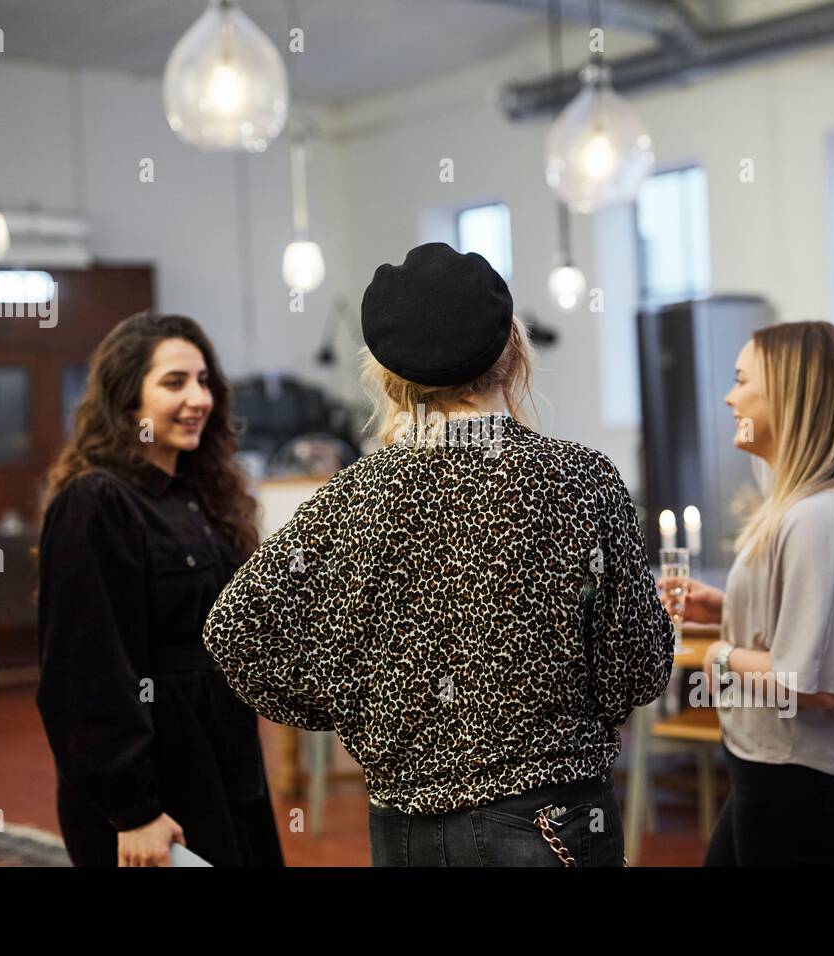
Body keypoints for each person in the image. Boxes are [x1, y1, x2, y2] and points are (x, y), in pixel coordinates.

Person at [204, 242, 673, 867]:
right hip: (551, 816)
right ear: (513, 349)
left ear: (392, 375)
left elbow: (236, 629)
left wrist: (357, 708)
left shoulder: (352, 498)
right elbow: (638, 670)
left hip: (405, 828)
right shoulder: (579, 481)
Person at [35, 312, 283, 868]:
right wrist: (133, 809)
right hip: (155, 779)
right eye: (174, 382)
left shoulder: (203, 497)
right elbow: (84, 674)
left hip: (224, 759)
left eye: (203, 382)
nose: (197, 398)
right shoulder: (94, 502)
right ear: (127, 398)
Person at [676, 320, 834, 866]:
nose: (730, 397)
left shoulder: (814, 518)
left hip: (801, 781)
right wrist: (729, 607)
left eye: (741, 380)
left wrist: (720, 656)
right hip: (780, 772)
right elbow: (818, 629)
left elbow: (809, 682)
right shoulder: (815, 507)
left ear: (788, 395)